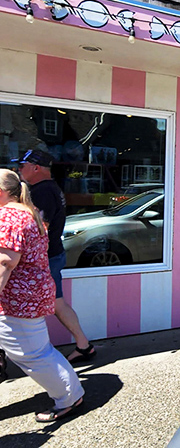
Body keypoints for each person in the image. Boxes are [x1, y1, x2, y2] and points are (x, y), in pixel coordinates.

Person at [0, 168, 85, 422]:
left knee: (32, 354)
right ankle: (70, 394)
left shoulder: (9, 217)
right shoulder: (28, 212)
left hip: (19, 299)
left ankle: (69, 397)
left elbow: (5, 262)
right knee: (35, 350)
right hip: (31, 293)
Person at [16, 150, 96, 364]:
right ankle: (83, 345)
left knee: (28, 307)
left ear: (36, 167)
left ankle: (40, 360)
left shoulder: (41, 192)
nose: (18, 170)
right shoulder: (48, 189)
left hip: (43, 259)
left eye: (22, 166)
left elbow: (39, 229)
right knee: (56, 302)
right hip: (52, 255)